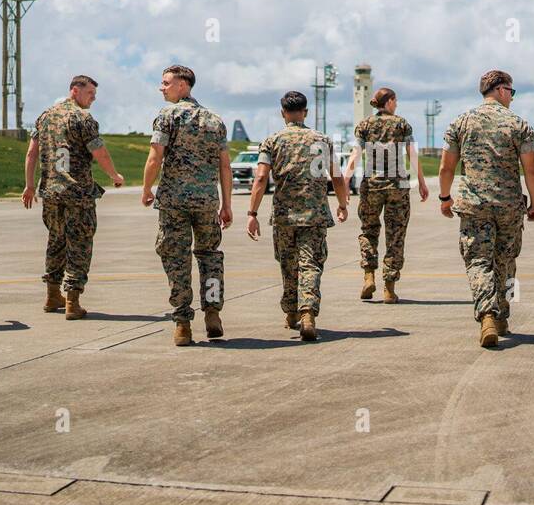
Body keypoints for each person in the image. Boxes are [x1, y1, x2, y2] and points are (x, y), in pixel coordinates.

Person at [438, 69, 534, 348]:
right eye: (511, 91)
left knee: (478, 261)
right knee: (505, 261)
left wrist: (445, 198)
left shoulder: (461, 122)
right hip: (508, 205)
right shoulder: (518, 124)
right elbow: (531, 170)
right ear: (500, 90)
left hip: (474, 206)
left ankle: (486, 314)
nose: (512, 97)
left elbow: (447, 167)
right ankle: (502, 315)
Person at [246, 91, 349, 341]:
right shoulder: (321, 140)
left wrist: (252, 212)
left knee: (288, 264)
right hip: (314, 215)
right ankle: (307, 313)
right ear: (305, 112)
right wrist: (342, 203)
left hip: (284, 216)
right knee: (310, 264)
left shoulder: (272, 141)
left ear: (283, 113)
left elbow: (260, 178)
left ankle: (291, 312)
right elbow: (336, 175)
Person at [141, 65, 232, 346]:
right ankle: (213, 311)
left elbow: (155, 157)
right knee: (210, 256)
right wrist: (226, 205)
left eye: (166, 83)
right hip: (206, 201)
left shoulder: (167, 116)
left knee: (177, 259)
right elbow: (225, 166)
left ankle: (182, 324)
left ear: (183, 86)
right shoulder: (214, 120)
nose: (162, 87)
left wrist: (146, 188)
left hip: (174, 202)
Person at [22, 75, 124, 319]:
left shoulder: (45, 117)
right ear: (75, 91)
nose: (93, 99)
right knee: (80, 243)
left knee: (56, 240)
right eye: (90, 94)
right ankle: (72, 300)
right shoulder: (82, 118)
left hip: (51, 193)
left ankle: (52, 294)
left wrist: (28, 186)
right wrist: (114, 175)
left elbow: (31, 154)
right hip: (77, 193)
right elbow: (99, 151)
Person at [344, 86, 429, 303]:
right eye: (395, 100)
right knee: (396, 235)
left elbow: (355, 156)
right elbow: (412, 154)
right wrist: (421, 181)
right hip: (397, 186)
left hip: (371, 186)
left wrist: (345, 182)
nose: (397, 104)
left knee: (369, 231)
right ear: (389, 102)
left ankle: (368, 275)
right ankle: (389, 288)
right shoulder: (401, 124)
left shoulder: (364, 125)